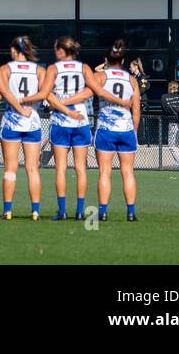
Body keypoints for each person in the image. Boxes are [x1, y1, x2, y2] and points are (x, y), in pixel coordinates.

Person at [44, 36, 94, 220]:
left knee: (60, 168)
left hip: (60, 121)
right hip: (80, 120)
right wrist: (73, 101)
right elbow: (91, 90)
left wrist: (62, 103)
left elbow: (47, 94)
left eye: (56, 49)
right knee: (81, 168)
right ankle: (80, 212)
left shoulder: (53, 68)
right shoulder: (84, 68)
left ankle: (62, 211)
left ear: (61, 51)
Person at [90, 39, 140, 221]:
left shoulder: (101, 77)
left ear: (106, 60)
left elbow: (90, 88)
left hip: (106, 128)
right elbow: (136, 109)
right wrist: (134, 131)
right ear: (124, 61)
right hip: (126, 128)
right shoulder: (132, 80)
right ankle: (131, 212)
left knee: (104, 171)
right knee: (128, 171)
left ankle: (102, 211)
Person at [0, 36, 46, 220]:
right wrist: (28, 105)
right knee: (33, 169)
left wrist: (18, 107)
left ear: (13, 50)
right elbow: (43, 92)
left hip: (12, 120)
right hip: (32, 120)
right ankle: (35, 211)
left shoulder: (6, 69)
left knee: (10, 168)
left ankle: (8, 211)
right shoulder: (39, 70)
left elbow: (4, 92)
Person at [159, 80, 179, 168]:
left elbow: (164, 110)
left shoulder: (164, 97)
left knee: (172, 145)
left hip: (173, 123)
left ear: (169, 87)